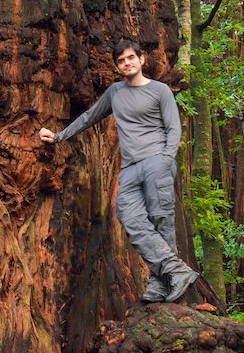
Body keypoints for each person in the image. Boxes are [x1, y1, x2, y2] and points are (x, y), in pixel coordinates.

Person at [38, 39, 200, 303]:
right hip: (130, 168)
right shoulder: (115, 92)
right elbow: (89, 117)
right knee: (128, 215)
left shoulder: (160, 91)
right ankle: (175, 270)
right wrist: (58, 137)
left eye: (130, 58)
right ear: (118, 66)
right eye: (121, 61)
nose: (126, 63)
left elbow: (174, 129)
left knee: (161, 221)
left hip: (157, 161)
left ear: (141, 59)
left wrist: (166, 159)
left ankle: (161, 284)